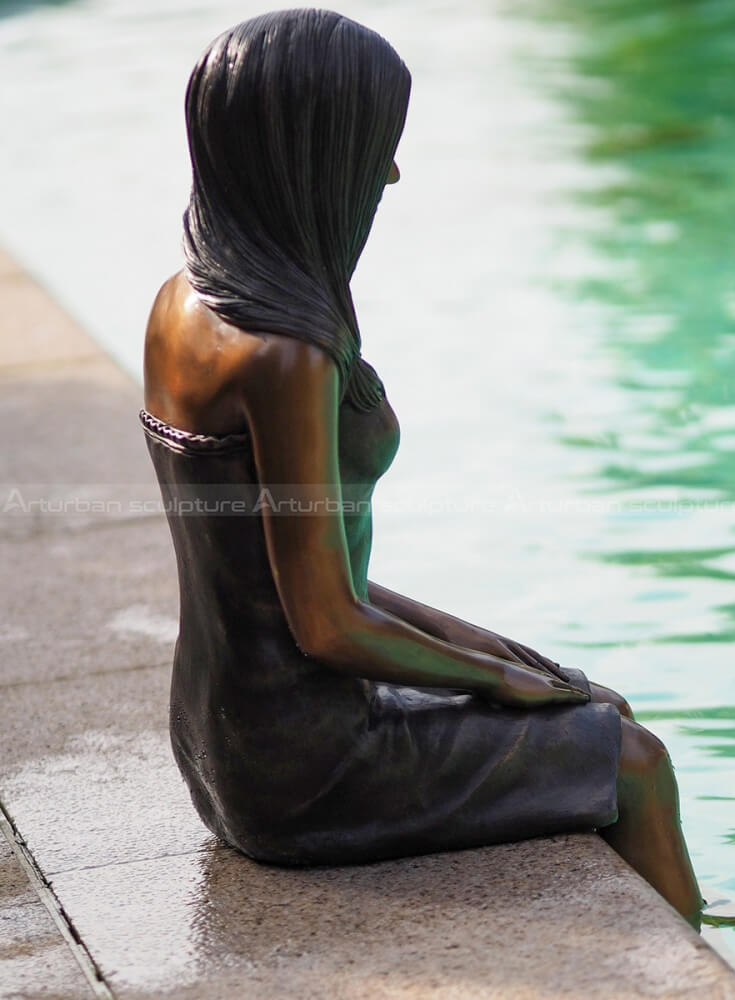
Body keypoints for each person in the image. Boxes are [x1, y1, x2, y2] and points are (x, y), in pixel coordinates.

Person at [142, 8, 702, 929]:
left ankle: (665, 935)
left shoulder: (184, 300)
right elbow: (325, 622)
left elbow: (294, 574)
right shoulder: (285, 356)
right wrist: (493, 680)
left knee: (592, 700)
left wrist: (490, 651)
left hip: (219, 740)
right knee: (633, 759)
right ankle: (707, 961)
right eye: (375, 145)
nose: (390, 171)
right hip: (308, 764)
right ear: (309, 155)